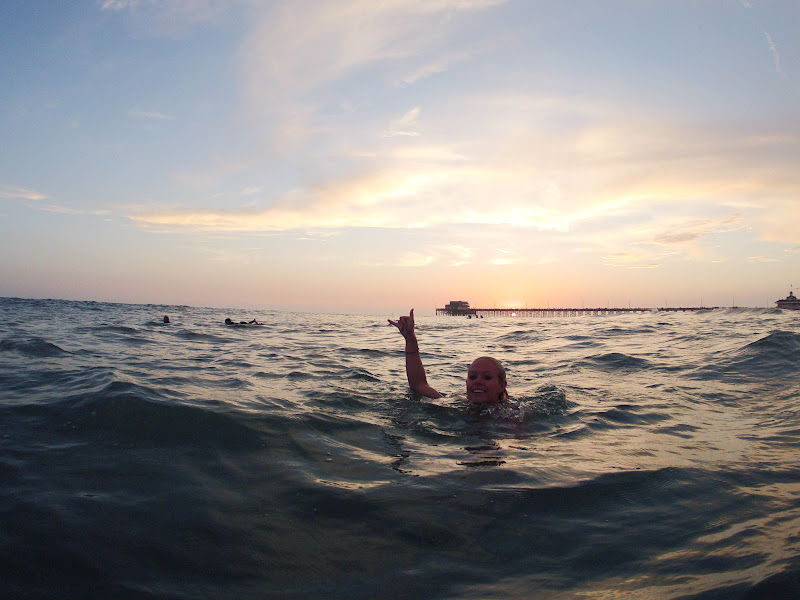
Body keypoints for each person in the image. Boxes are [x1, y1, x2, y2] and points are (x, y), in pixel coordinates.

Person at [388, 309, 508, 403]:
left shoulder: (515, 417)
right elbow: (418, 385)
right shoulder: (455, 404)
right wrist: (410, 338)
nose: (478, 381)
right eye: (472, 377)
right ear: (466, 383)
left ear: (502, 385)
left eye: (487, 377)